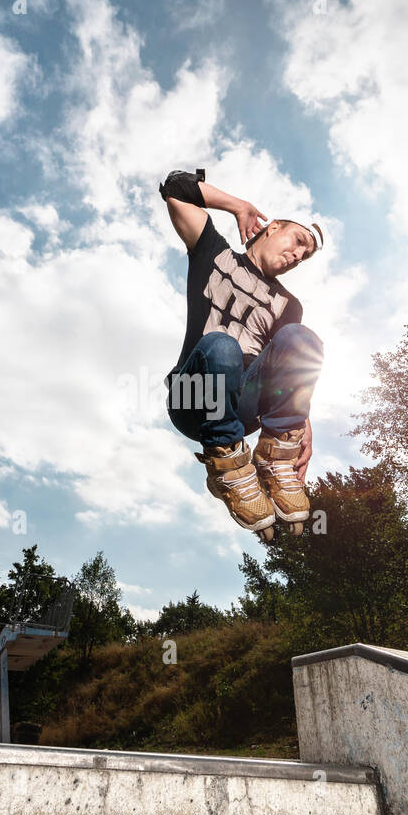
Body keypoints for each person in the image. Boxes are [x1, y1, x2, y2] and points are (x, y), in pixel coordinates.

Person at [159, 168, 324, 541]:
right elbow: (175, 189)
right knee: (222, 345)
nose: (298, 255)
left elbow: (290, 368)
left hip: (241, 408)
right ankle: (226, 464)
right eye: (297, 240)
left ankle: (270, 461)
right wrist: (236, 206)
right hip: (191, 398)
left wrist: (300, 426)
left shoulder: (287, 305)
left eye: (305, 255)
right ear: (273, 226)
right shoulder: (212, 252)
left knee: (304, 339)